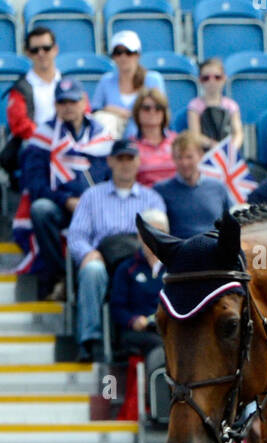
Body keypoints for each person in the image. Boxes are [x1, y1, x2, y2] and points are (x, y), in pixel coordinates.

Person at [66, 138, 165, 361]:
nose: (125, 164)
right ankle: (90, 340)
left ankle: (149, 332)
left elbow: (161, 235)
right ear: (110, 161)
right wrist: (89, 253)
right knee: (92, 270)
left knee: (159, 272)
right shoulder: (92, 196)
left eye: (130, 158)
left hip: (140, 257)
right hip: (105, 257)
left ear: (138, 162)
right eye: (120, 158)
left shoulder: (152, 198)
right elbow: (76, 236)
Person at [22, 77, 111, 303]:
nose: (68, 107)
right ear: (56, 106)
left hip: (97, 206)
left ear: (84, 102)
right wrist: (66, 200)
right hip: (61, 207)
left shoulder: (101, 135)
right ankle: (60, 274)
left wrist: (93, 201)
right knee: (41, 209)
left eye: (73, 101)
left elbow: (112, 177)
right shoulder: (44, 136)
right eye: (62, 103)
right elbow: (35, 184)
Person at [4, 27, 62, 186]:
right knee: (31, 148)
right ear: (28, 53)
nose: (41, 54)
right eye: (35, 50)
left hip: (66, 142)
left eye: (46, 48)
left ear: (55, 50)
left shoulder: (68, 83)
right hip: (35, 143)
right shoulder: (21, 87)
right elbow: (20, 125)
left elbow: (83, 112)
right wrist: (49, 139)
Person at [109, 206, 168, 358]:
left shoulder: (176, 267)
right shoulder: (127, 268)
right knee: (160, 346)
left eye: (161, 231)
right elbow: (116, 306)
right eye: (150, 232)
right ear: (140, 236)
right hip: (139, 332)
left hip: (171, 328)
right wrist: (132, 320)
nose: (156, 237)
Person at [154, 133, 232, 240]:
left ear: (200, 155)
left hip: (215, 249)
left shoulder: (218, 187)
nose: (184, 163)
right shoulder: (161, 190)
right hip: (180, 251)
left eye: (189, 157)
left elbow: (233, 222)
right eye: (179, 157)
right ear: (173, 158)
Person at [90, 31, 165, 138]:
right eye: (118, 52)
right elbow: (94, 111)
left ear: (137, 55)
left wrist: (127, 113)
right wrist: (108, 109)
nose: (123, 57)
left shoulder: (153, 79)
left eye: (129, 52)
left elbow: (159, 110)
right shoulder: (106, 80)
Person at [187, 57, 243, 155]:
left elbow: (238, 133)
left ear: (224, 79)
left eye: (217, 77)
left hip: (229, 153)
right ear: (200, 80)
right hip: (204, 153)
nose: (211, 82)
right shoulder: (194, 105)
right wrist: (212, 145)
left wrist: (232, 148)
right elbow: (195, 134)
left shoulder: (231, 105)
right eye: (206, 78)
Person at [133, 88, 175, 187]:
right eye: (146, 108)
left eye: (158, 108)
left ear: (164, 112)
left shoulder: (177, 141)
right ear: (137, 112)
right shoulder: (131, 146)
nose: (152, 111)